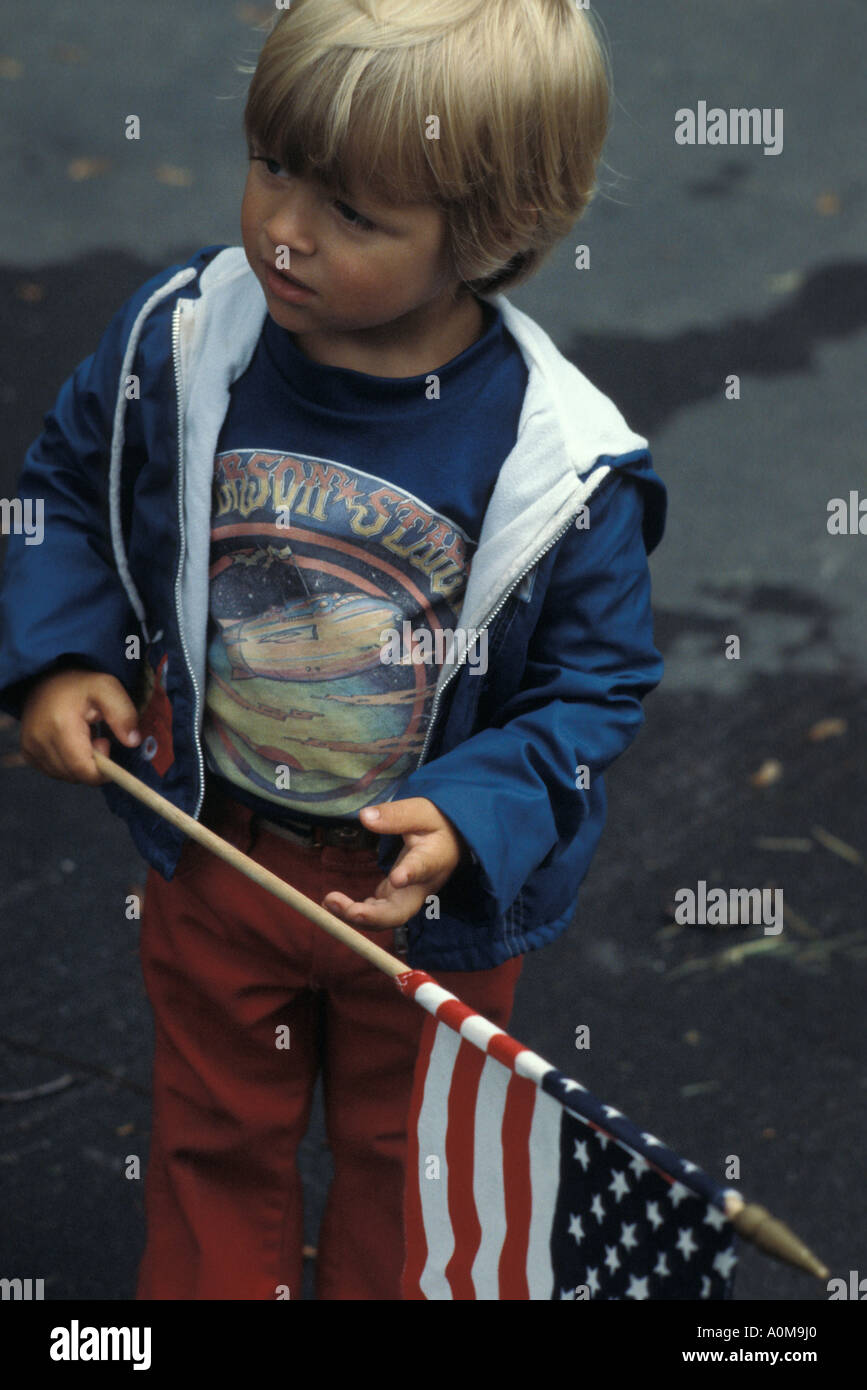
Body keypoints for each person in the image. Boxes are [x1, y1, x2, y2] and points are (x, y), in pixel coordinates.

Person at [0, 0, 666, 1300]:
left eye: (357, 215)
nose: (286, 228)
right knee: (210, 1141)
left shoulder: (557, 462)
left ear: (490, 237)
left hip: (418, 914)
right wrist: (61, 651)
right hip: (219, 856)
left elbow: (596, 687)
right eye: (273, 162)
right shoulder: (185, 343)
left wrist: (472, 817)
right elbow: (64, 491)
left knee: (412, 1173)